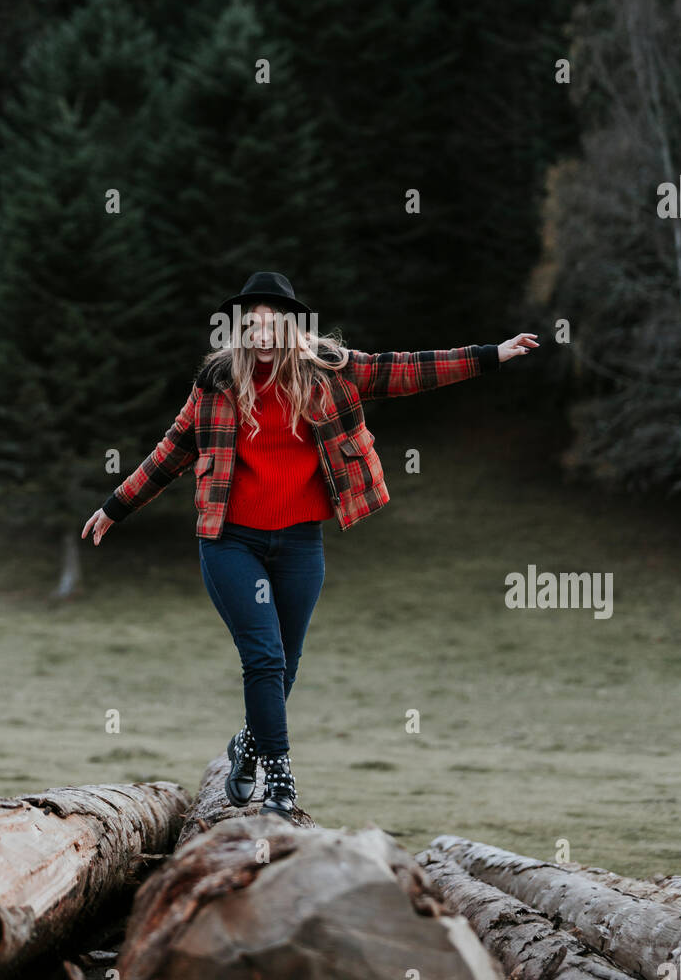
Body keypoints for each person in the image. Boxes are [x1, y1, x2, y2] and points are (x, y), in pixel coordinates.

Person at [82, 271, 538, 820]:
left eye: (272, 319)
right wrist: (116, 505)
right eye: (251, 320)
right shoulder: (217, 381)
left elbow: (408, 369)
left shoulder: (330, 372)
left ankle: (245, 747)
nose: (261, 329)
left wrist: (493, 354)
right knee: (264, 657)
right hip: (231, 542)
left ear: (292, 324)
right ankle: (280, 777)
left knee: (286, 663)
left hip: (300, 543)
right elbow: (174, 448)